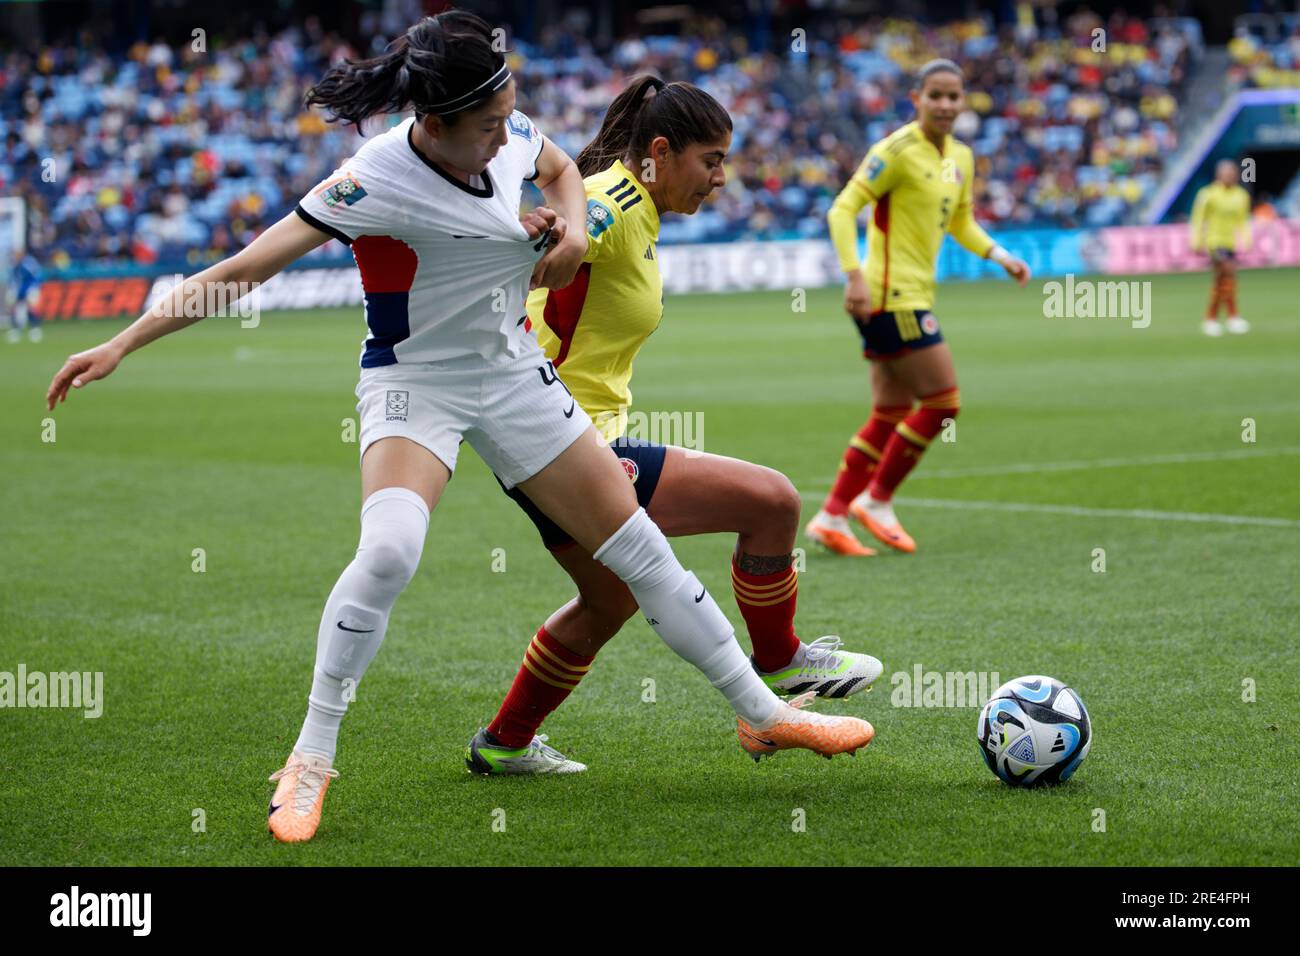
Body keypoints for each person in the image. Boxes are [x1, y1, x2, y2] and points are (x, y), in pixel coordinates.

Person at [44, 12, 874, 844]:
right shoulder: (372, 179)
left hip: (513, 375)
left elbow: (557, 168)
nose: (502, 136)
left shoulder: (504, 124)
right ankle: (310, 757)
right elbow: (244, 267)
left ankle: (763, 713)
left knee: (638, 553)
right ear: (432, 125)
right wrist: (122, 341)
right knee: (392, 549)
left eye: (507, 116)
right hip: (416, 385)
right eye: (485, 128)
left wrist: (572, 224)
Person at [467, 77, 883, 775]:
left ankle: (504, 744)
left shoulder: (635, 209)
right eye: (712, 160)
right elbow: (533, 257)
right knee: (772, 500)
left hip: (546, 441)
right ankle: (779, 666)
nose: (721, 179)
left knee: (607, 603)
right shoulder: (608, 205)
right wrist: (529, 255)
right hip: (564, 441)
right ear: (661, 151)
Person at [804, 59, 1031, 556]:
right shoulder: (896, 151)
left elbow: (961, 221)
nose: (946, 105)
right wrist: (853, 275)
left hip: (910, 295)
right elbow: (842, 208)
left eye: (954, 96)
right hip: (891, 296)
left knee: (889, 411)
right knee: (943, 404)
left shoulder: (961, 158)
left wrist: (1000, 256)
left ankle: (832, 515)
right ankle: (877, 500)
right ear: (917, 98)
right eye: (936, 95)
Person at [1190, 159, 1252, 337]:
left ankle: (1211, 319)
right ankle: (1232, 317)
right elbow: (1198, 218)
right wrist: (1196, 240)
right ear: (1218, 175)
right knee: (1228, 272)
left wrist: (1246, 239)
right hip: (1214, 241)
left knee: (1222, 280)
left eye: (1232, 173)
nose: (1229, 176)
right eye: (1226, 173)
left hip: (1230, 242)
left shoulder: (1241, 195)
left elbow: (1242, 220)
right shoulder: (1208, 194)